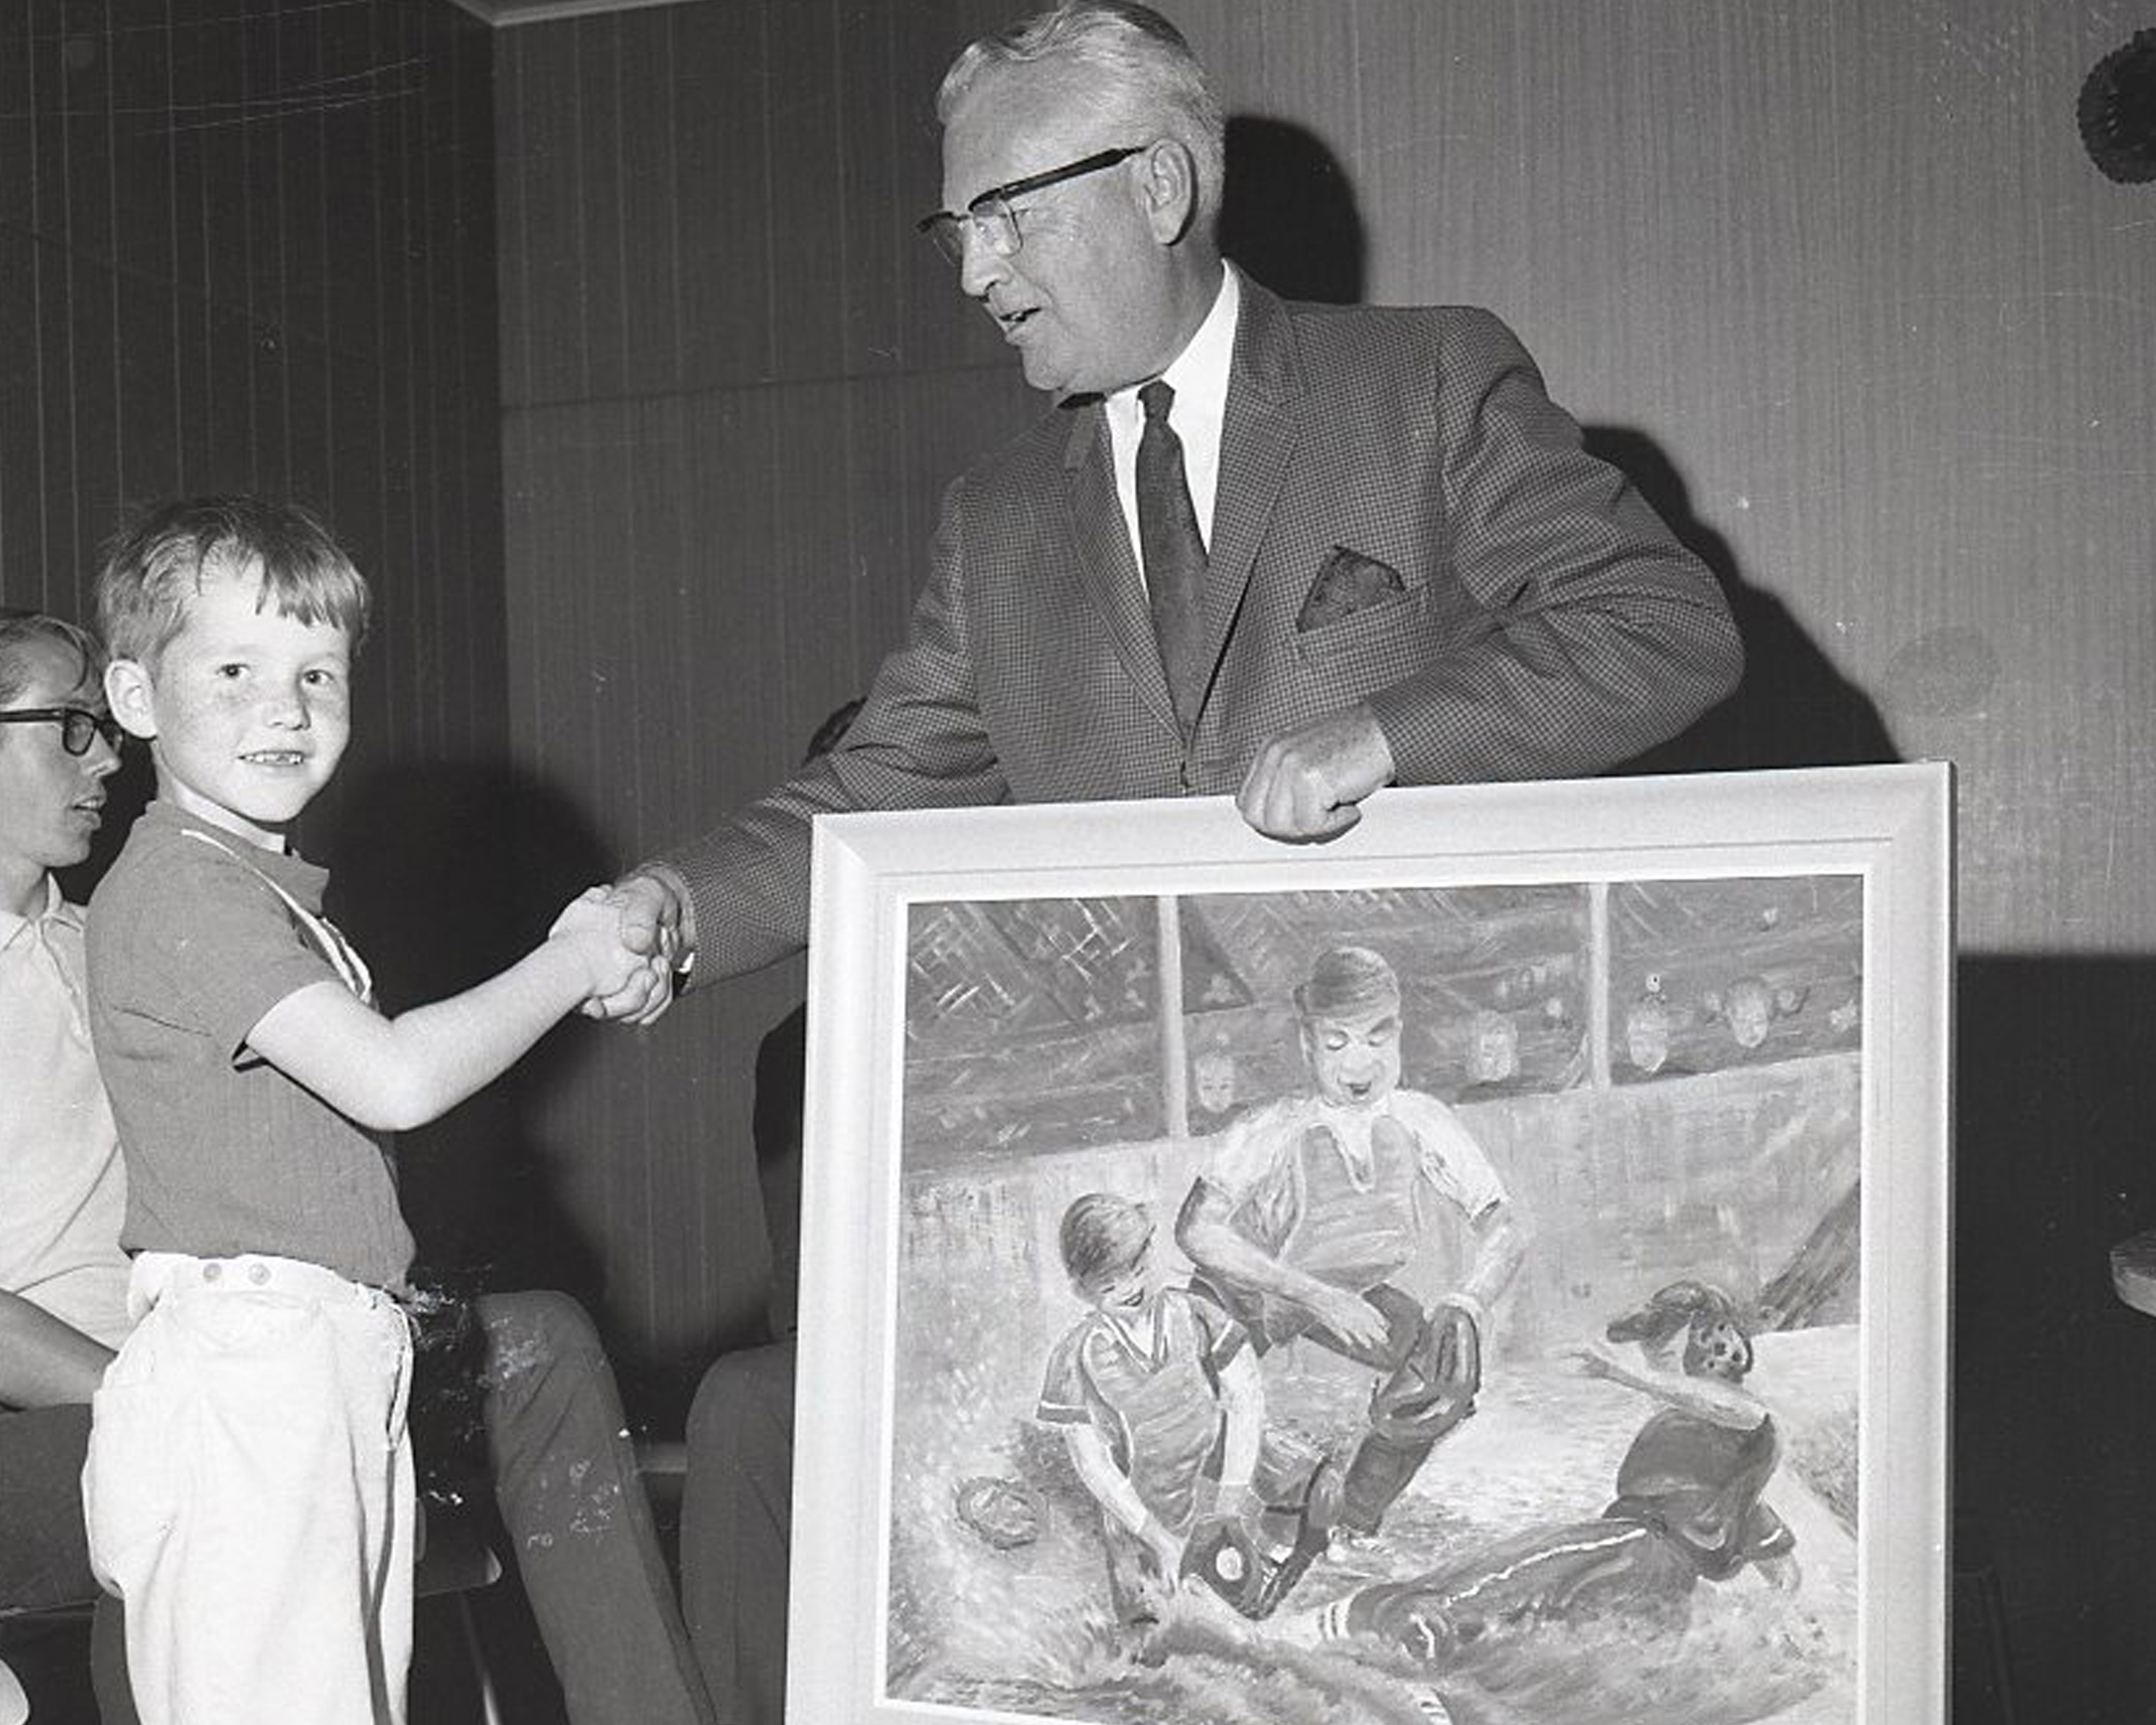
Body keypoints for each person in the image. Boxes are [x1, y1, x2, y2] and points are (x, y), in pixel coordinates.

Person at [601, 2, 1742, 1714]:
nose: (974, 273)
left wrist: (1388, 734)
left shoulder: (1422, 383)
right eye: (956, 225)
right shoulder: (996, 523)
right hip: (1187, 1162)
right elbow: (873, 788)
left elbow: (1660, 625)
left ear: (1154, 181)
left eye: (1007, 213)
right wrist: (676, 905)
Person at [73, 505, 704, 1725]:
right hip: (248, 1378)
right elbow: (398, 1080)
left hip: (327, 1360)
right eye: (235, 671)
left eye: (318, 673)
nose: (286, 709)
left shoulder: (271, 893)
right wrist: (574, 961)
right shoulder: (178, 892)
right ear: (137, 699)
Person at [1175, 946, 1522, 1545]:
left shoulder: (1422, 1120)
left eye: (1375, 1040)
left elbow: (1506, 1227)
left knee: (1446, 1368)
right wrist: (1313, 1296)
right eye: (1336, 1044)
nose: (1357, 1063)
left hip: (1346, 1293)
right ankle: (1280, 1492)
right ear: (1308, 1043)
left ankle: (1352, 1517)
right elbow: (1197, 1231)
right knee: (1197, 1390)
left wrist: (1468, 1301)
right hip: (1251, 1293)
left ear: (1399, 1035)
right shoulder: (1275, 1127)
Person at [1285, 1280, 1799, 1670]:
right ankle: (1436, 1662)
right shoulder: (1728, 1474)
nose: (1660, 1358)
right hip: (1656, 1579)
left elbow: (1726, 1406)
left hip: (1633, 1546)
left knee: (1509, 1576)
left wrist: (1619, 1372)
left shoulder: (1742, 1418)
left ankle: (1376, 1625)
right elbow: (1783, 1573)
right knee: (1544, 1631)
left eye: (1671, 1343)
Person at [1037, 1192, 1268, 1630]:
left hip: (1212, 1478)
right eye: (1110, 1284)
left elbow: (1245, 1398)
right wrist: (1156, 1537)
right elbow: (1094, 1465)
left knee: (1241, 1604)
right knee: (1156, 1635)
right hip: (1139, 1514)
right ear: (1081, 1291)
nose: (1131, 1289)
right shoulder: (1077, 1356)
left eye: (1139, 1269)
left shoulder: (1195, 1315)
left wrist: (1230, 1505)